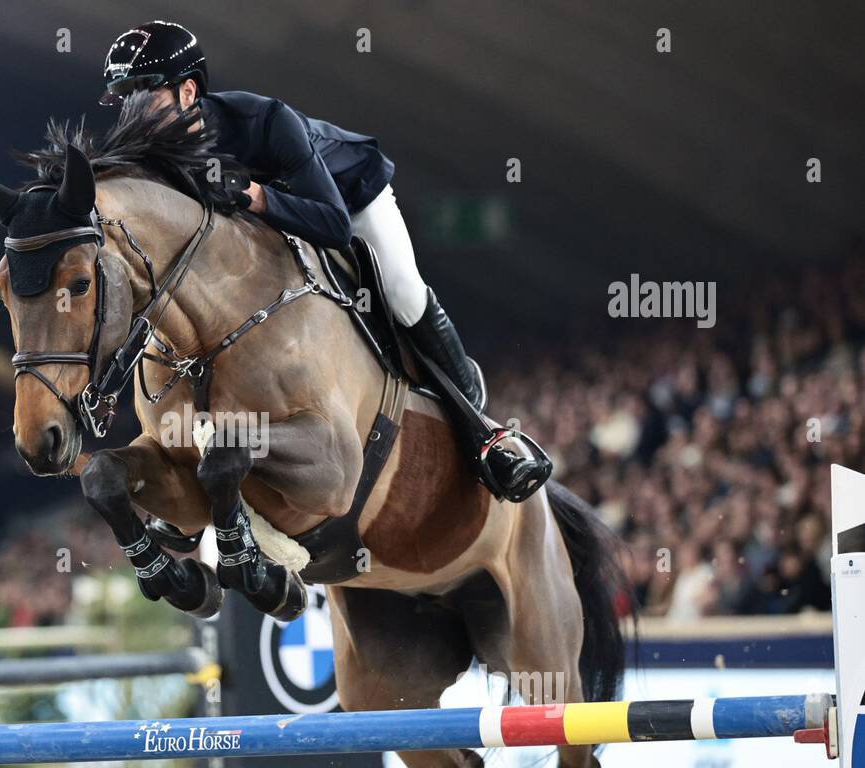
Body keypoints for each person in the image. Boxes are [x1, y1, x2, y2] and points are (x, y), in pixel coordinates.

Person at [99, 21, 550, 502]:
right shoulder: (154, 156)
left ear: (187, 91)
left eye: (140, 93)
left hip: (350, 200)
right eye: (120, 97)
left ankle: (483, 430)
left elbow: (333, 224)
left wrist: (255, 196)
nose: (130, 110)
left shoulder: (262, 122)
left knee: (400, 290)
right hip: (272, 236)